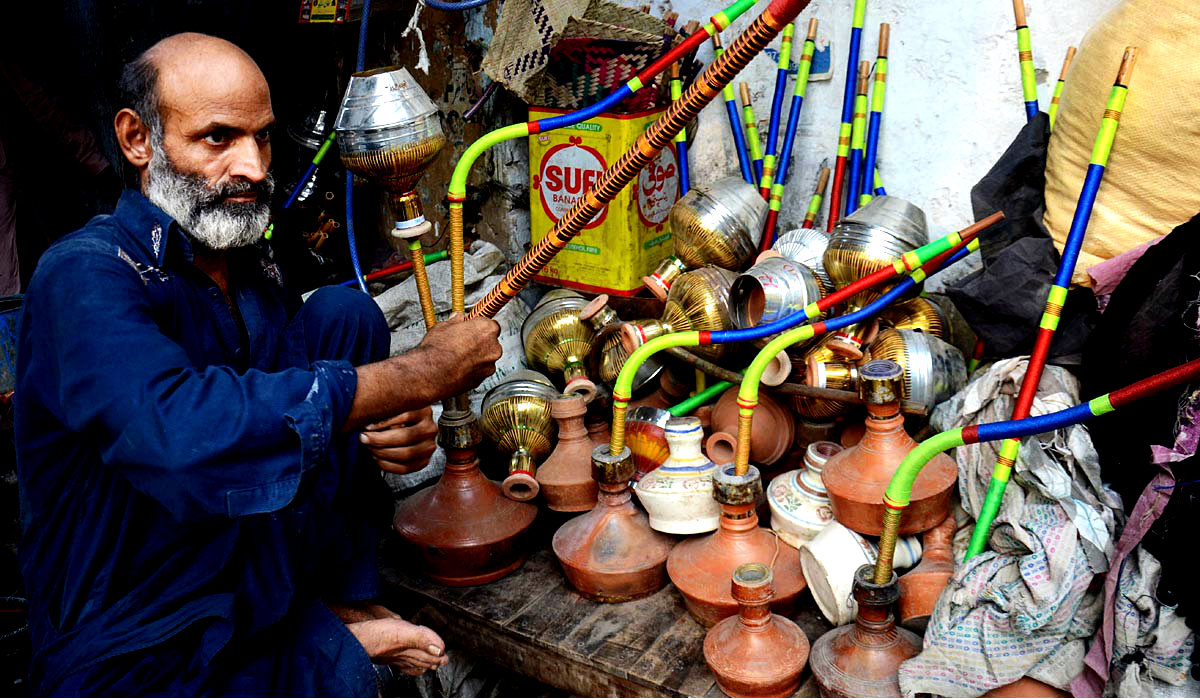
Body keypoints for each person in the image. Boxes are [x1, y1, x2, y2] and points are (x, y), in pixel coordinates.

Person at [14, 32, 503, 696]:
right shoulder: (85, 273)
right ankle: (316, 646)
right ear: (138, 140)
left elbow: (307, 410)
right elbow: (180, 433)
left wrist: (392, 427)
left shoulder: (250, 275)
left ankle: (340, 602)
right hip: (137, 632)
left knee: (344, 317)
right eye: (218, 138)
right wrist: (418, 374)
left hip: (252, 574)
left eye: (263, 138)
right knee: (339, 681)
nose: (250, 165)